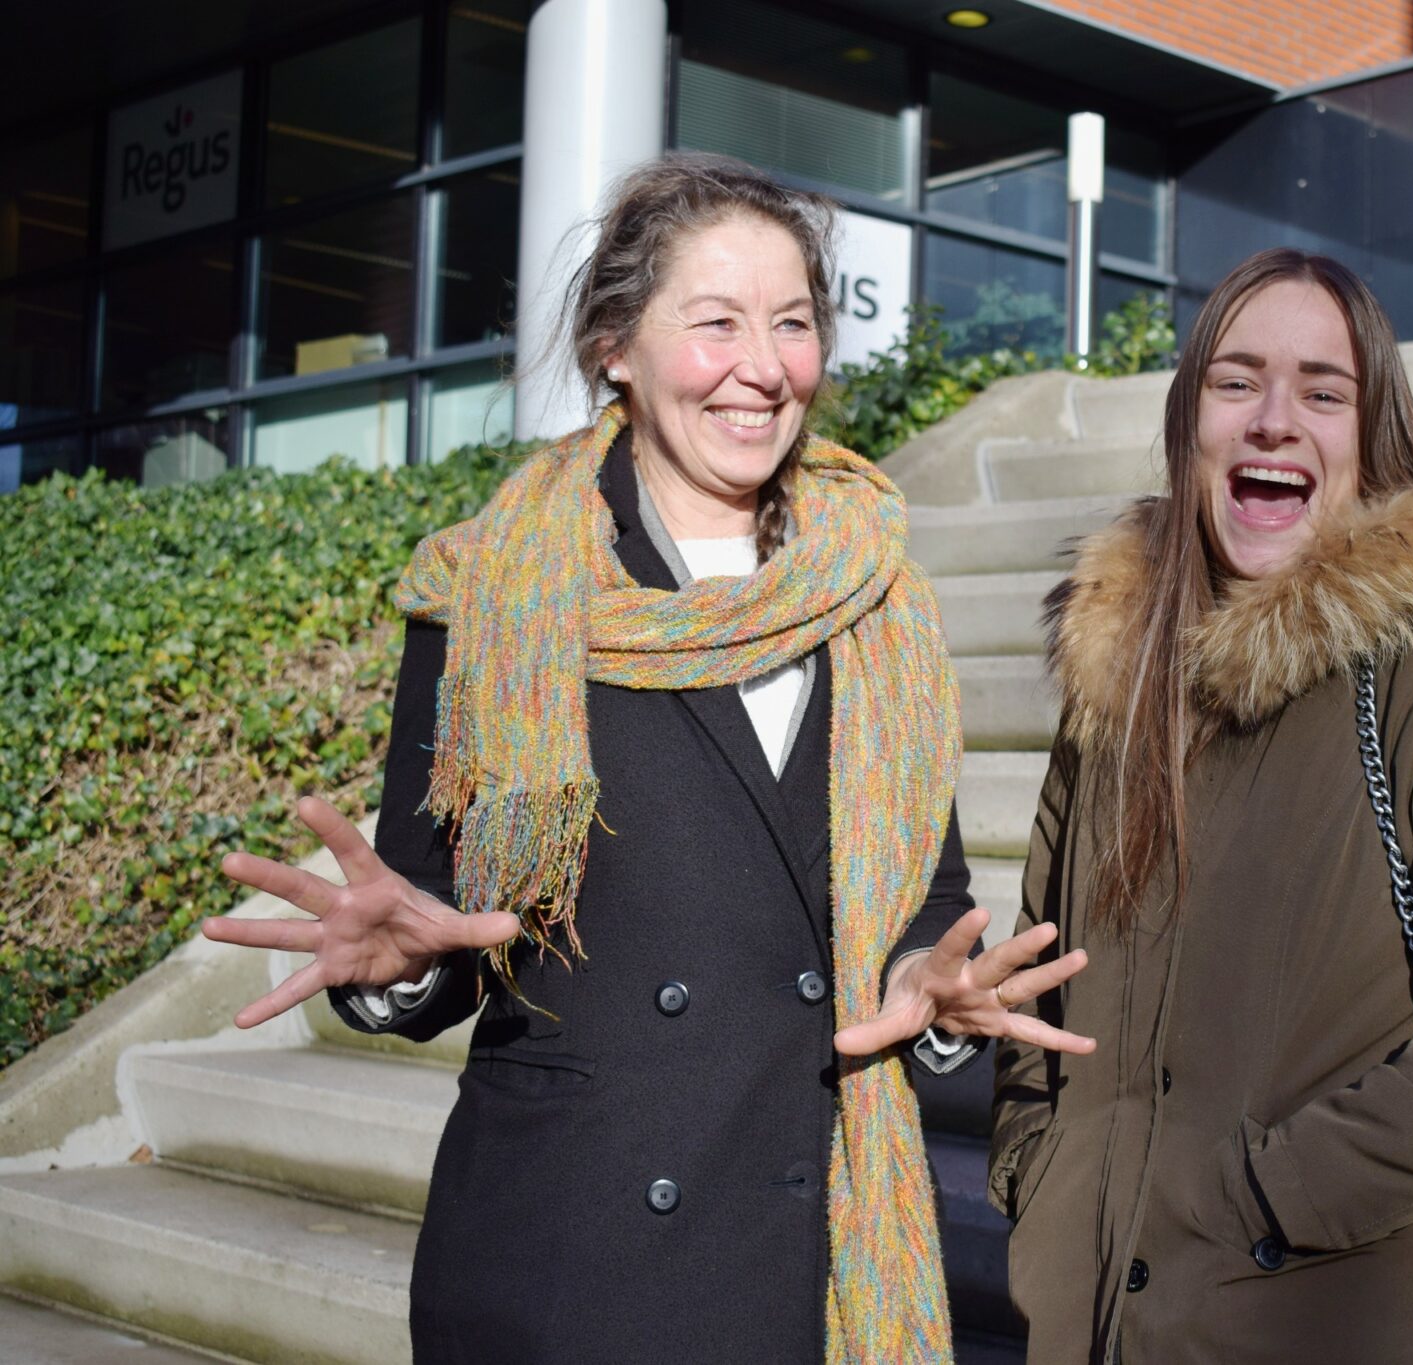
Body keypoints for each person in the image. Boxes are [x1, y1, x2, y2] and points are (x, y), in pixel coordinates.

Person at [201, 153, 1093, 1364]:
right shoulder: (494, 593)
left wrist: (932, 1001)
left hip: (803, 1253)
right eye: (715, 323)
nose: (762, 367)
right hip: (573, 1260)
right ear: (614, 344)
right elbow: (437, 920)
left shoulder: (879, 598)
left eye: (791, 324)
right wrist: (400, 972)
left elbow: (919, 906)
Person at [988, 248, 1413, 1364]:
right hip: (1083, 1322)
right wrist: (1039, 1176)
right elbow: (1035, 978)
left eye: (1323, 393)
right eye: (1235, 382)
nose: (1273, 420)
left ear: (1371, 437)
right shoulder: (1116, 671)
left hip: (1330, 1321)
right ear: (1188, 424)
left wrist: (1263, 1202)